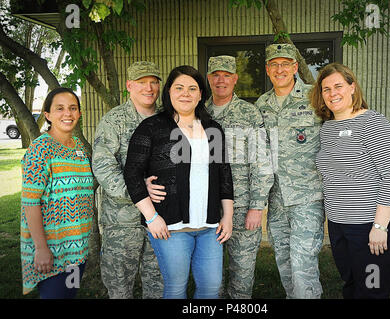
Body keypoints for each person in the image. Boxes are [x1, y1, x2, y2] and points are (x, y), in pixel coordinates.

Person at [147, 56, 273, 298]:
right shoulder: (196, 110)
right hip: (203, 209)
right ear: (208, 80)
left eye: (227, 75)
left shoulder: (249, 113)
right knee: (213, 278)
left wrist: (257, 206)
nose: (221, 80)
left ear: (235, 79)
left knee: (241, 274)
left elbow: (262, 161)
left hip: (242, 205)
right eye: (215, 74)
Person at [123, 65, 234, 299]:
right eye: (179, 87)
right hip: (171, 228)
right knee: (175, 288)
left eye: (192, 88)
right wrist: (151, 218)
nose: (186, 93)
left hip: (210, 227)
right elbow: (132, 173)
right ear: (169, 92)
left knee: (212, 287)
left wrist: (228, 216)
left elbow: (224, 174)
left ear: (201, 94)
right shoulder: (152, 127)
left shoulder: (213, 129)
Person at [310, 62, 390, 299]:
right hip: (340, 226)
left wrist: (380, 226)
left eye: (339, 86)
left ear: (352, 87)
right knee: (351, 286)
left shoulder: (372, 122)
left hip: (372, 226)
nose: (333, 93)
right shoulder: (327, 128)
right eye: (326, 89)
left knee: (371, 290)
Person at [254, 43, 324, 299]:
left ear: (295, 67)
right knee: (284, 261)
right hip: (276, 198)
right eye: (274, 64)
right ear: (267, 69)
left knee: (302, 263)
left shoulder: (315, 96)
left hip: (307, 196)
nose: (280, 69)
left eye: (285, 64)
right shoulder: (262, 104)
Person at [92, 61, 163, 299]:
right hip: (122, 222)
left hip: (162, 218)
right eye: (142, 82)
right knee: (120, 287)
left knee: (159, 283)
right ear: (129, 86)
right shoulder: (113, 121)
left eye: (153, 82)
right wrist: (137, 192)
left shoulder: (168, 118)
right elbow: (103, 167)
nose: (149, 88)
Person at [20, 87, 94, 298]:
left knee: (70, 294)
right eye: (59, 108)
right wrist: (41, 248)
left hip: (77, 249)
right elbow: (31, 202)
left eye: (72, 108)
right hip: (53, 249)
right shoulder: (40, 149)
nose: (67, 114)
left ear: (79, 113)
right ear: (48, 115)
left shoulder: (78, 147)